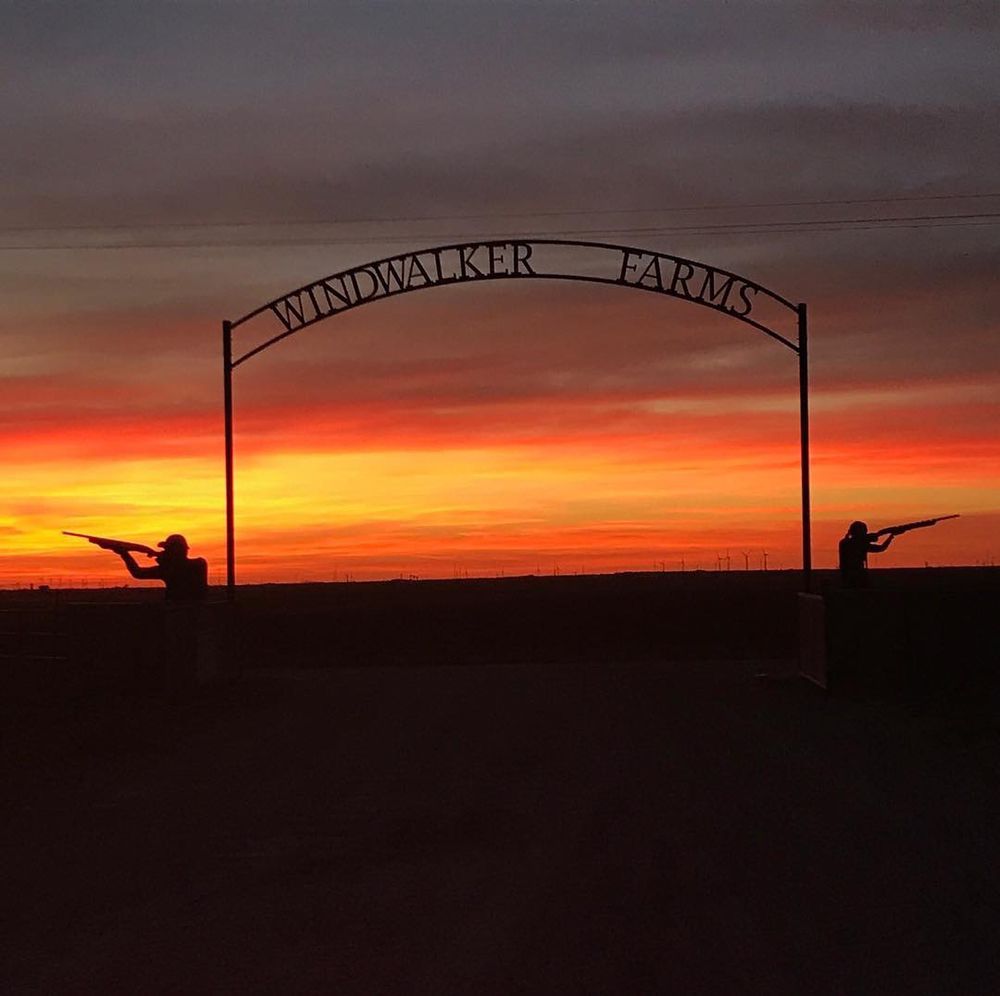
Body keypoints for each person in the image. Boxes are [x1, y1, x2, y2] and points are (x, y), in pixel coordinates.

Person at [117, 534, 209, 602]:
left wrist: (124, 554)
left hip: (176, 612)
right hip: (196, 611)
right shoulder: (199, 563)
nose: (164, 551)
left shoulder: (169, 568)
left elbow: (138, 573)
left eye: (167, 549)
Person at [838, 520, 893, 588]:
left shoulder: (844, 542)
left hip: (846, 575)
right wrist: (890, 538)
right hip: (858, 575)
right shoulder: (859, 543)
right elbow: (881, 548)